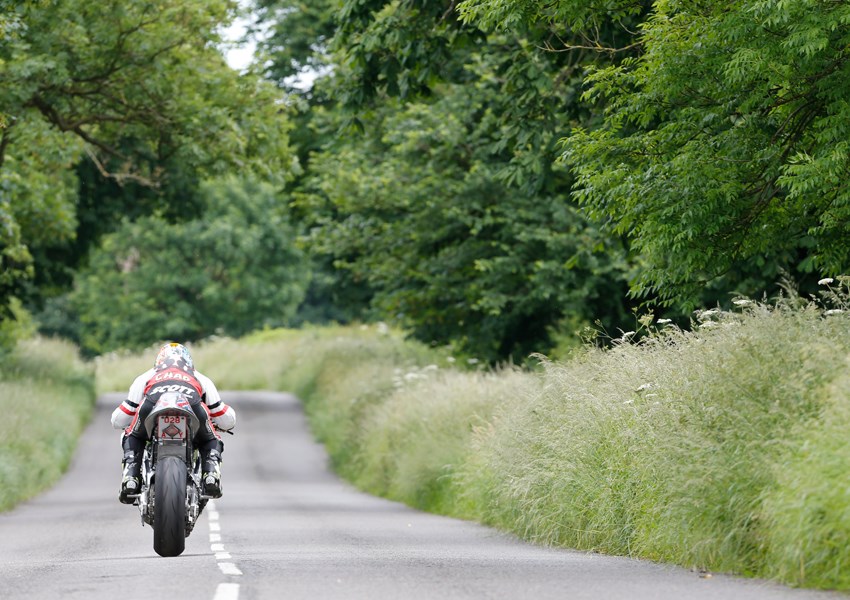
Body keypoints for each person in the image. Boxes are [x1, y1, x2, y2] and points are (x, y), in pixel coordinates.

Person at [110, 342, 236, 504]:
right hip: (192, 405)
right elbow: (225, 419)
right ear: (189, 361)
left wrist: (131, 420)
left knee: (132, 435)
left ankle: (131, 476)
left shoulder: (146, 376)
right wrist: (218, 422)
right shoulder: (199, 377)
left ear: (159, 361)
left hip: (152, 403)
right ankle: (210, 474)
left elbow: (119, 419)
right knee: (211, 439)